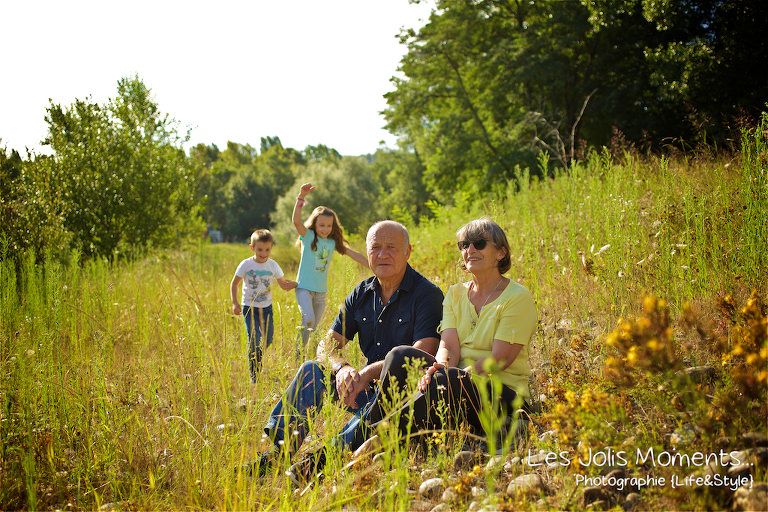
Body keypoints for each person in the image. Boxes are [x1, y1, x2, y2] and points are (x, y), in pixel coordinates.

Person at [248, 220, 444, 477]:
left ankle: (316, 465)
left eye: (391, 247)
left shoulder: (427, 294)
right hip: (364, 387)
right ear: (367, 252)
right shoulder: (361, 293)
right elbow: (326, 344)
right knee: (311, 371)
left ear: (408, 252)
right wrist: (341, 368)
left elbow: (420, 354)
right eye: (375, 248)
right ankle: (278, 454)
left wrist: (365, 375)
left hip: (404, 395)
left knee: (379, 403)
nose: (382, 254)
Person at [361, 217, 538, 453]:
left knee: (447, 380)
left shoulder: (517, 297)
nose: (470, 249)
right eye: (464, 245)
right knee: (400, 355)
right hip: (457, 387)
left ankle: (377, 439)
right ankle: (371, 433)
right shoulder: (456, 293)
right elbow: (449, 347)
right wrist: (439, 369)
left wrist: (452, 377)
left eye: (479, 243)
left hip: (503, 397)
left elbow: (500, 359)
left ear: (501, 253)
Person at [292, 183, 369, 351]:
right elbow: (296, 221)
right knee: (308, 319)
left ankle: (307, 355)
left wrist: (373, 266)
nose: (325, 229)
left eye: (329, 226)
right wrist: (301, 197)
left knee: (313, 328)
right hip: (304, 288)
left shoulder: (332, 242)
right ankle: (298, 353)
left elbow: (352, 253)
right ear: (315, 224)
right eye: (322, 225)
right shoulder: (309, 236)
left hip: (320, 292)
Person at [230, 229, 297, 382]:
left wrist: (298, 284)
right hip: (249, 307)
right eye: (260, 249)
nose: (263, 253)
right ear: (252, 248)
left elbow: (283, 284)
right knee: (254, 338)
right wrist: (235, 303)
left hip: (267, 308)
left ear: (271, 247)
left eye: (267, 249)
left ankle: (257, 356)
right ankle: (254, 373)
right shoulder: (246, 264)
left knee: (268, 340)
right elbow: (234, 283)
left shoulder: (273, 265)